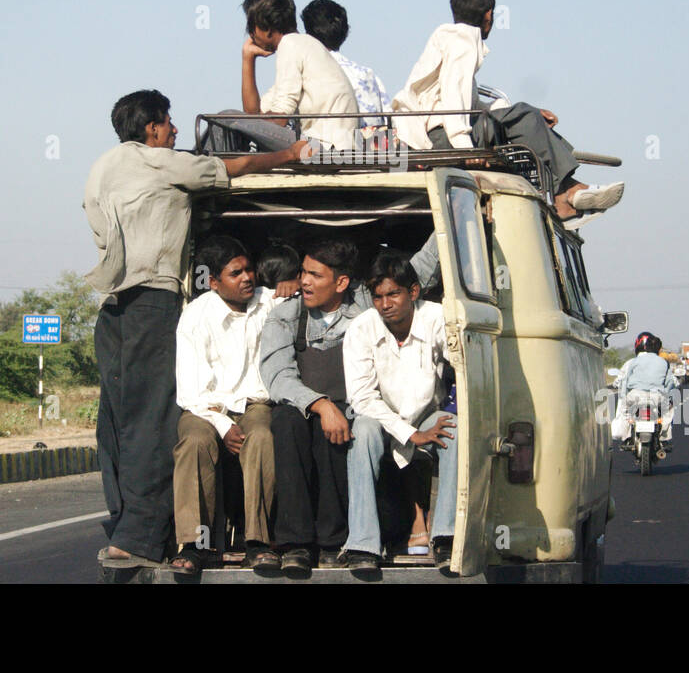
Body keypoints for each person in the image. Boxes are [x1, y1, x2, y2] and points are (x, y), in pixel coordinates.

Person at [83, 89, 308, 567]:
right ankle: (141, 537)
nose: (176, 131)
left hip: (111, 308)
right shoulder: (159, 161)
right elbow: (228, 170)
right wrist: (288, 154)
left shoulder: (102, 167)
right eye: (169, 123)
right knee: (153, 423)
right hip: (152, 301)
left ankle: (122, 524)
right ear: (151, 129)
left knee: (116, 425)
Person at [258, 235, 440, 576]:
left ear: (342, 282)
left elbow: (419, 271)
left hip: (355, 409)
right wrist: (320, 404)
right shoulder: (285, 315)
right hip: (305, 408)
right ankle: (295, 543)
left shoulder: (367, 304)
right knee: (285, 422)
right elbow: (278, 377)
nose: (305, 281)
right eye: (303, 272)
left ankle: (334, 542)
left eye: (315, 275)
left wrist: (455, 209)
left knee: (347, 429)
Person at [391, 0, 624, 227]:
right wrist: (465, 148)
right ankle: (567, 192)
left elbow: (468, 104)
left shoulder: (451, 37)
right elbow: (453, 98)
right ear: (488, 15)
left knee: (525, 115)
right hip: (439, 139)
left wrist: (529, 114)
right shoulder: (463, 41)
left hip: (438, 132)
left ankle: (566, 193)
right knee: (523, 116)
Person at [171, 236, 283, 575]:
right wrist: (222, 425)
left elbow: (298, 297)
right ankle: (195, 546)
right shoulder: (196, 315)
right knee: (194, 443)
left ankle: (257, 542)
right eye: (236, 273)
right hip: (206, 408)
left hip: (254, 403)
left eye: (249, 269)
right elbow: (190, 391)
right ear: (215, 282)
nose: (247, 277)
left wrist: (290, 282)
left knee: (262, 437)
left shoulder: (268, 302)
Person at [343, 251, 457, 572]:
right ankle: (363, 544)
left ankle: (446, 537)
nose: (385, 304)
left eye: (393, 293)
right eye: (378, 297)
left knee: (454, 427)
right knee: (361, 430)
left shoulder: (435, 317)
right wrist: (409, 433)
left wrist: (427, 425)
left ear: (414, 292)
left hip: (427, 414)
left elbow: (463, 364)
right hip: (380, 418)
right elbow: (362, 398)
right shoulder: (361, 328)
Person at [239, 0, 360, 151]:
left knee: (226, 118)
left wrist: (245, 124)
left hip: (325, 146)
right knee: (235, 120)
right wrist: (248, 58)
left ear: (266, 28)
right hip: (331, 143)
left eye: (252, 27)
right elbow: (254, 112)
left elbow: (279, 119)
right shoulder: (302, 45)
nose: (250, 34)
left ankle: (207, 165)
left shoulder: (290, 45)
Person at [301, 0, 393, 137]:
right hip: (375, 149)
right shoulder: (367, 74)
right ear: (345, 32)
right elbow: (387, 120)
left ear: (308, 35)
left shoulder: (308, 73)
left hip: (329, 150)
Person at [619, 331, 677, 445]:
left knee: (624, 413)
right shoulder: (664, 362)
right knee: (668, 411)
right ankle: (664, 438)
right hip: (657, 397)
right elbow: (670, 383)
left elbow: (626, 381)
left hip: (635, 395)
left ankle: (626, 438)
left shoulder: (634, 361)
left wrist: (623, 396)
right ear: (658, 349)